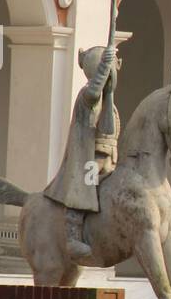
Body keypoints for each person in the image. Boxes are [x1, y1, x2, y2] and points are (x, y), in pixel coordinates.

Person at [43, 44, 121, 259]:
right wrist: (104, 68)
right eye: (110, 68)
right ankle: (72, 235)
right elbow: (95, 90)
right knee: (85, 186)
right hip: (89, 159)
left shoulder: (109, 100)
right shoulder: (88, 95)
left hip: (109, 158)